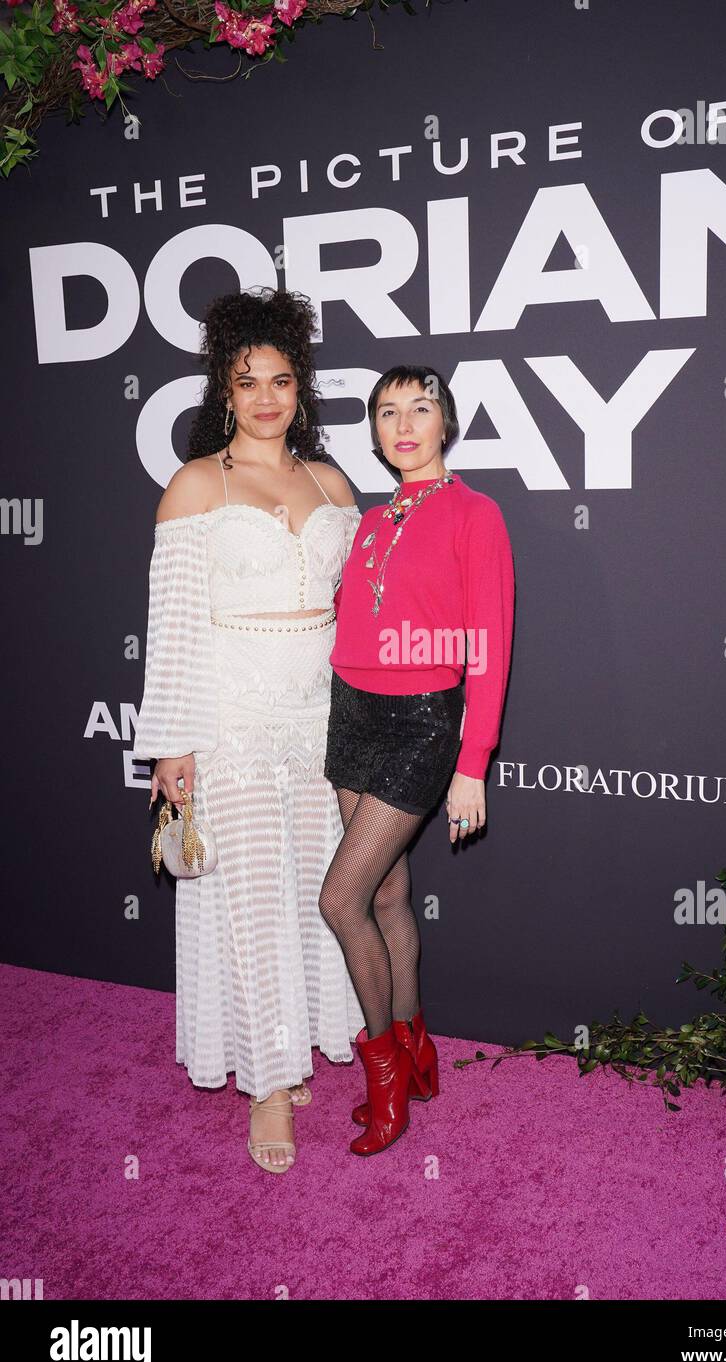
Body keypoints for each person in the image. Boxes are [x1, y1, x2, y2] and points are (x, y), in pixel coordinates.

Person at [132, 287, 365, 1174]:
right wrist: (173, 743)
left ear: (299, 387)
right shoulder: (197, 485)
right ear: (222, 391)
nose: (266, 396)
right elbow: (174, 625)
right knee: (252, 905)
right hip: (231, 721)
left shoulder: (331, 482)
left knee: (315, 897)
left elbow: (357, 619)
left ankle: (295, 1041)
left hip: (319, 726)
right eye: (246, 380)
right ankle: (268, 1086)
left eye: (281, 379)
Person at [319, 366, 515, 1156]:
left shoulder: (477, 514)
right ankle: (417, 1047)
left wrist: (474, 762)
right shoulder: (368, 520)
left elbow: (488, 649)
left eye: (420, 408)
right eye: (387, 412)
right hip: (351, 716)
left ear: (446, 424)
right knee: (390, 893)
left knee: (341, 899)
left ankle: (386, 1080)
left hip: (421, 726)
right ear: (373, 431)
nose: (404, 425)